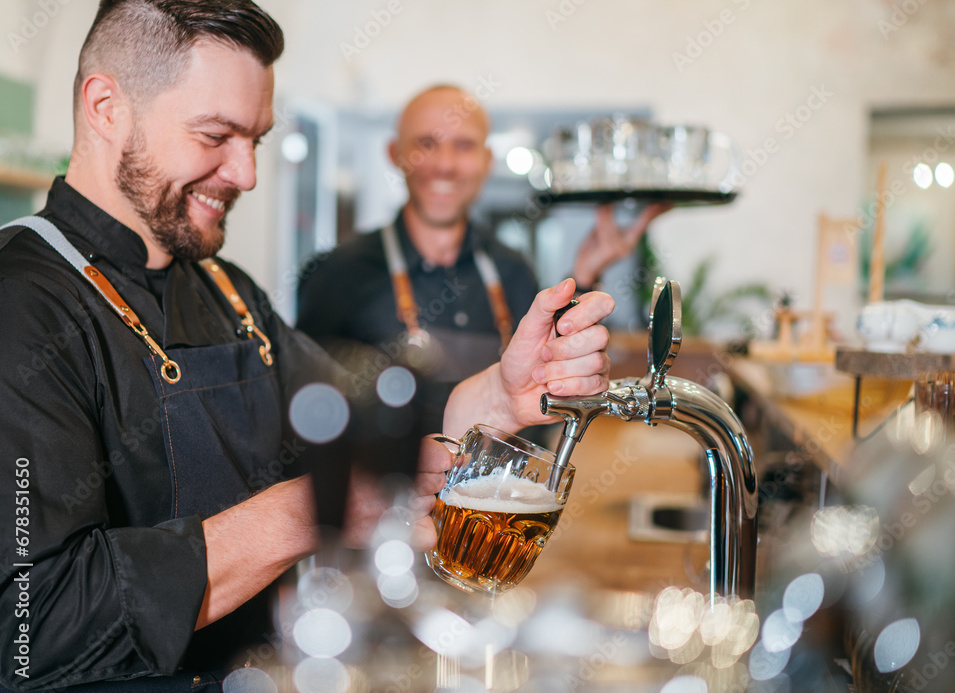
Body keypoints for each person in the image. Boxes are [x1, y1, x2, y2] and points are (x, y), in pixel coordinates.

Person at [0, 2, 613, 691]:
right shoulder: (22, 302)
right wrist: (311, 507)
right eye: (215, 135)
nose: (246, 173)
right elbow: (30, 628)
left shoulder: (229, 292)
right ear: (106, 106)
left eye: (255, 139)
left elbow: (367, 428)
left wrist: (500, 392)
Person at [296, 85, 670, 422]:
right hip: (388, 498)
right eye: (426, 143)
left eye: (463, 146)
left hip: (498, 493)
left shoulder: (513, 271)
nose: (445, 164)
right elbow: (310, 410)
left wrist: (585, 274)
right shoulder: (338, 274)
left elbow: (547, 378)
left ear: (487, 159)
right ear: (396, 153)